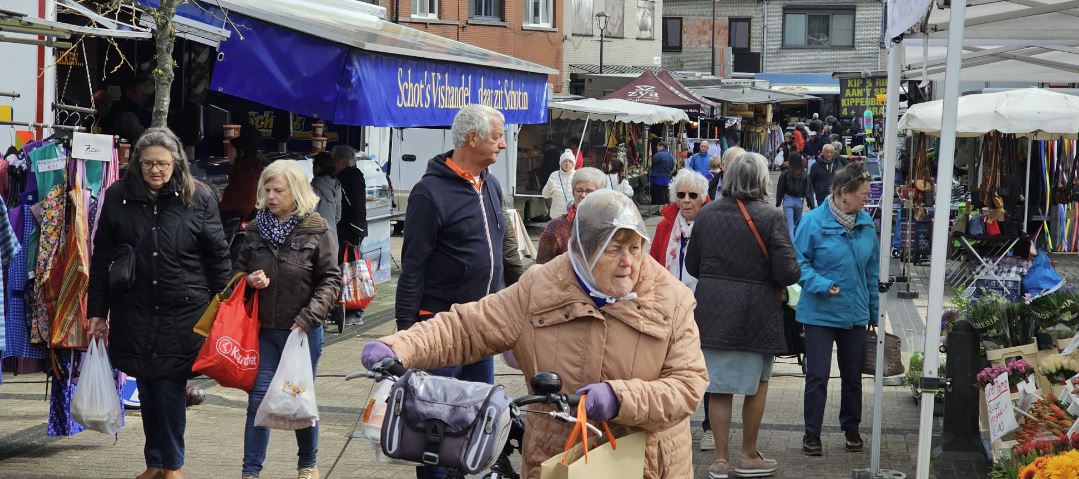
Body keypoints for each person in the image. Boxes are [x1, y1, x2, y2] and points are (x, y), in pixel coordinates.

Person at [363, 189, 709, 479]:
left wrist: (620, 398)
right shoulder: (540, 286)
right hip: (558, 460)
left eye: (635, 249)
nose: (628, 262)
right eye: (614, 249)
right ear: (586, 250)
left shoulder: (672, 298)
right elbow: (468, 326)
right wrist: (399, 346)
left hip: (647, 465)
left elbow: (688, 384)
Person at [87, 127, 232, 479]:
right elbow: (103, 254)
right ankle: (156, 462)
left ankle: (171, 465)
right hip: (133, 307)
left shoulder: (198, 198)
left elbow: (217, 256)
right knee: (148, 387)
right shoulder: (119, 195)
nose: (156, 170)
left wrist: (224, 309)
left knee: (168, 387)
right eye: (149, 163)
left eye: (163, 164)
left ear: (177, 162)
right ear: (137, 163)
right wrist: (96, 311)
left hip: (184, 309)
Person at [395, 104, 508, 477]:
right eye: (497, 137)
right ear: (471, 138)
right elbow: (413, 265)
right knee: (435, 427)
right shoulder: (429, 192)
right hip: (439, 327)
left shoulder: (490, 183)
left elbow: (501, 251)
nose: (503, 145)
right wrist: (406, 331)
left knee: (478, 426)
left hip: (482, 325)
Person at [685, 152, 801, 479]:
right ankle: (748, 455)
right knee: (756, 385)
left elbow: (693, 265)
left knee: (719, 387)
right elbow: (788, 272)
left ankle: (720, 460)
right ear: (762, 181)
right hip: (757, 314)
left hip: (713, 311)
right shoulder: (771, 216)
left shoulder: (706, 214)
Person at [234, 160, 343, 479]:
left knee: (298, 399)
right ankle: (250, 472)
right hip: (265, 331)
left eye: (277, 190)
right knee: (258, 400)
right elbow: (235, 272)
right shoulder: (254, 228)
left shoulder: (316, 227)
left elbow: (331, 280)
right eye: (266, 189)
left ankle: (308, 463)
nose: (270, 196)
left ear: (295, 191)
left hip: (303, 331)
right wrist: (247, 280)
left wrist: (310, 317)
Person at [793, 162, 879, 457]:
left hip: (854, 313)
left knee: (853, 376)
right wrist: (819, 283)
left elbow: (871, 271)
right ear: (844, 193)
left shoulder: (866, 224)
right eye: (864, 194)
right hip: (819, 313)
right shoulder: (813, 222)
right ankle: (811, 434)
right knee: (817, 375)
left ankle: (851, 428)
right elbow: (798, 264)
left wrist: (873, 312)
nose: (867, 198)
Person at [535, 167, 604, 264]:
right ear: (573, 192)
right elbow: (542, 268)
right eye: (579, 190)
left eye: (589, 191)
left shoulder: (607, 225)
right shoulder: (555, 227)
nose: (583, 195)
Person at [218, 135, 265, 240]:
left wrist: (217, 209)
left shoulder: (244, 170)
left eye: (231, 151)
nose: (228, 155)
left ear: (241, 152)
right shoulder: (253, 166)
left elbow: (239, 201)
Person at [330, 145, 367, 252]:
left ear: (345, 162)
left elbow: (358, 207)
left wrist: (354, 236)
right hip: (346, 230)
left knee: (347, 266)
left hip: (350, 232)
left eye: (336, 159)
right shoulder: (343, 177)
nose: (333, 163)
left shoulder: (351, 178)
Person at [775, 151, 817, 239]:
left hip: (788, 200)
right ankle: (797, 243)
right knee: (797, 224)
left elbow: (780, 188)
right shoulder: (804, 174)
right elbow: (808, 190)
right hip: (799, 200)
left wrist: (778, 201)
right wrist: (811, 203)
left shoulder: (785, 173)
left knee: (790, 225)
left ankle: (792, 246)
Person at [101, 76, 152, 143]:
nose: (144, 95)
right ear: (129, 93)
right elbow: (139, 133)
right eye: (141, 93)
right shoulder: (124, 111)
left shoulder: (138, 109)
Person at [311, 152, 343, 240]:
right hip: (332, 237)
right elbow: (338, 216)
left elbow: (311, 216)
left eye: (313, 165)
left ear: (317, 167)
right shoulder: (337, 184)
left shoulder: (314, 187)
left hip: (318, 239)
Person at [542, 149, 576, 219]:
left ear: (573, 163)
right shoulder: (554, 175)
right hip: (557, 217)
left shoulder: (578, 175)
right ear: (560, 163)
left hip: (573, 217)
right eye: (565, 161)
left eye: (570, 161)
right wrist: (549, 187)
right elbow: (545, 195)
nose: (567, 163)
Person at [650, 141, 676, 206]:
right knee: (665, 193)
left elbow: (650, 163)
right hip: (667, 177)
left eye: (658, 146)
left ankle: (660, 210)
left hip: (658, 178)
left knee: (659, 194)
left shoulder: (658, 155)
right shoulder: (670, 156)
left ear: (662, 146)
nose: (657, 148)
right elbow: (672, 167)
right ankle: (666, 208)